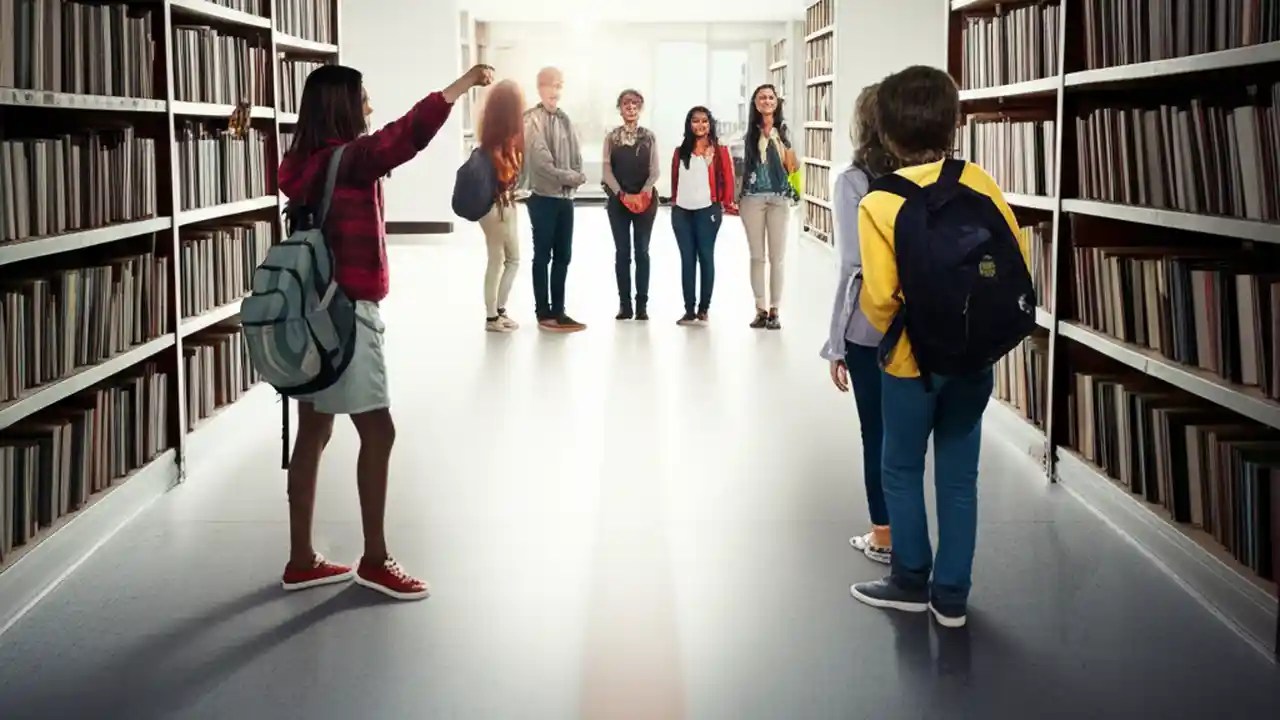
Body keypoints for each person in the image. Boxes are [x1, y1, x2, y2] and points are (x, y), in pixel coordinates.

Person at [276, 62, 494, 600]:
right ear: (343, 106)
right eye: (364, 99)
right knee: (380, 433)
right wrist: (460, 86)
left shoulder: (303, 162)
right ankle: (375, 560)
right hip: (347, 311)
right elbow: (406, 136)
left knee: (314, 432)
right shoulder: (350, 160)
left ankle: (301, 559)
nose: (370, 107)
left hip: (309, 311)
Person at [850, 66, 1029, 628]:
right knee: (959, 474)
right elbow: (1014, 253)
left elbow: (878, 300)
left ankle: (908, 580)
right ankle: (951, 596)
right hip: (974, 357)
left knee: (900, 469)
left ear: (885, 130)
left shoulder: (879, 202)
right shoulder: (978, 180)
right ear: (953, 123)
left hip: (911, 362)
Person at [822, 83, 900, 567]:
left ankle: (884, 536)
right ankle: (909, 535)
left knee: (877, 432)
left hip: (871, 329)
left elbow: (853, 266)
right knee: (908, 436)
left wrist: (834, 343)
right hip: (921, 327)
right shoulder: (927, 175)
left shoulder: (855, 181)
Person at [523, 66, 587, 332]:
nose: (556, 91)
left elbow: (576, 156)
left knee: (564, 255)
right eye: (552, 85)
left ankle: (559, 311)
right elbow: (541, 163)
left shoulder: (564, 119)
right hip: (542, 198)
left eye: (560, 85)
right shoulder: (530, 120)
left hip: (564, 199)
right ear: (540, 87)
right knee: (542, 255)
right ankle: (543, 312)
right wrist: (572, 177)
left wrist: (575, 176)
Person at [739, 84, 799, 330]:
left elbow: (793, 167)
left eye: (770, 97)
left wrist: (781, 141)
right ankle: (760, 309)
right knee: (756, 256)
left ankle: (775, 309)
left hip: (779, 197)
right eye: (761, 97)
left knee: (777, 257)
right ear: (755, 103)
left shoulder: (784, 131)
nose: (766, 101)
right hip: (752, 198)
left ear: (777, 102)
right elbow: (744, 168)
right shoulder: (750, 134)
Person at [669, 105, 736, 326]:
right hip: (682, 212)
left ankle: (703, 308)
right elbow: (675, 181)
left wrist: (724, 203)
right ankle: (689, 310)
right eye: (695, 121)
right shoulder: (680, 151)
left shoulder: (719, 150)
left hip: (708, 210)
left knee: (705, 257)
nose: (700, 125)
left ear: (710, 124)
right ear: (689, 124)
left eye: (704, 121)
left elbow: (728, 178)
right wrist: (674, 203)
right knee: (687, 260)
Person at [602, 89, 660, 321]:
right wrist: (622, 195)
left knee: (642, 252)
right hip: (619, 200)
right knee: (622, 252)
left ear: (641, 108)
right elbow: (606, 170)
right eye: (626, 103)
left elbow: (654, 171)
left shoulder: (649, 137)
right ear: (620, 108)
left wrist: (643, 194)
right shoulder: (611, 137)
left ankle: (642, 306)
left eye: (635, 103)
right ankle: (625, 305)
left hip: (646, 200)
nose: (631, 107)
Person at [477, 79, 526, 333]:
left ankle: (497, 313)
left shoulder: (489, 132)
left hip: (497, 205)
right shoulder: (502, 140)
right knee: (502, 260)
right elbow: (506, 174)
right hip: (498, 206)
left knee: (504, 260)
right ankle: (493, 316)